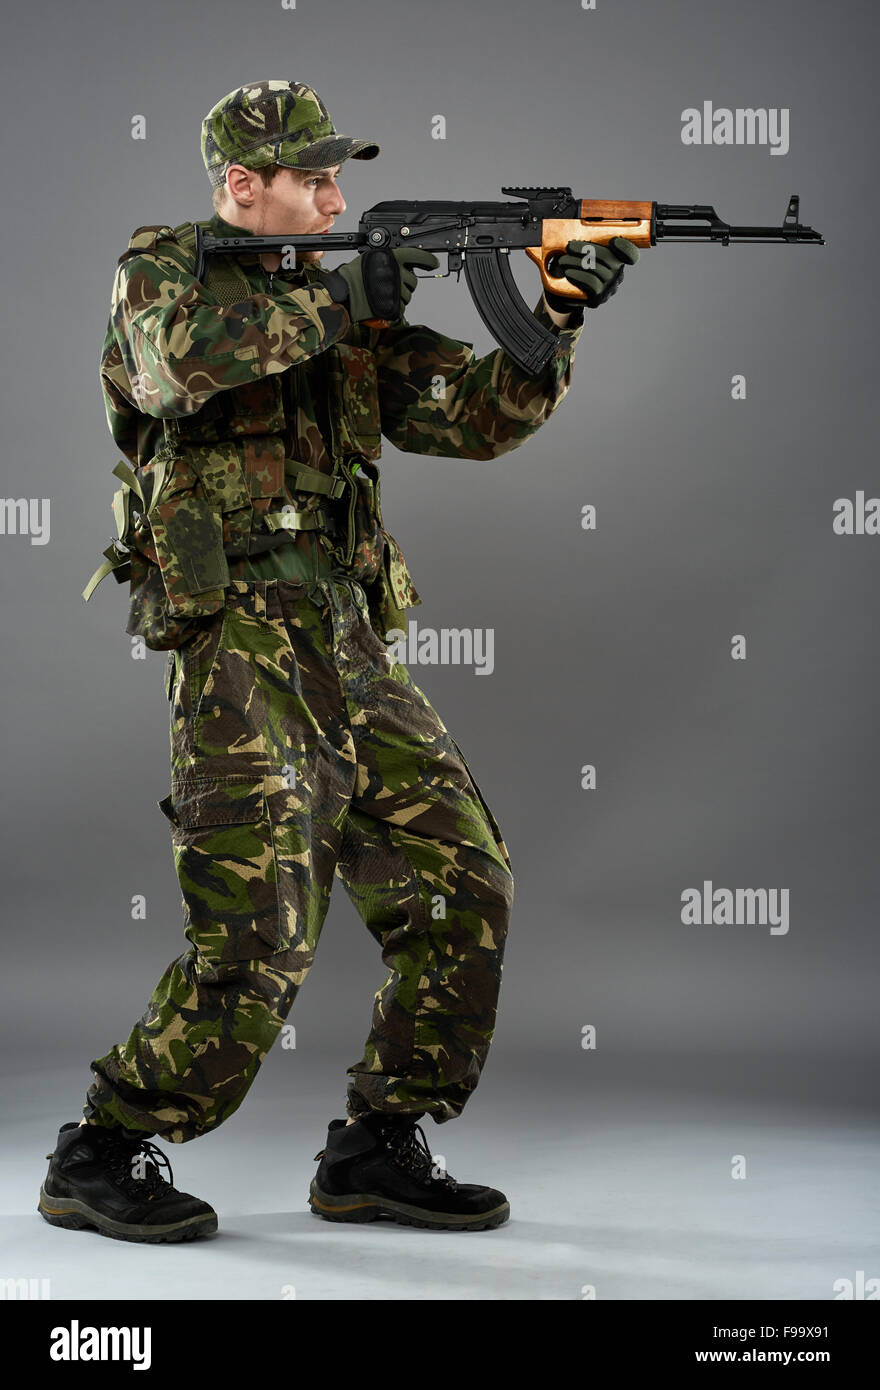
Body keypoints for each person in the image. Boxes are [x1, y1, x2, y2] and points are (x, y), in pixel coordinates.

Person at [39, 80, 639, 1241]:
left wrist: (555, 314)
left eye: (336, 176)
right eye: (310, 177)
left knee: (462, 878)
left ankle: (376, 1143)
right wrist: (335, 298)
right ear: (238, 186)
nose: (335, 196)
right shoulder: (165, 272)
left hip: (348, 630)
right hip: (239, 635)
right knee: (262, 917)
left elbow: (473, 417)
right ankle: (102, 1144)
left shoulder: (346, 306)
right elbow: (171, 369)